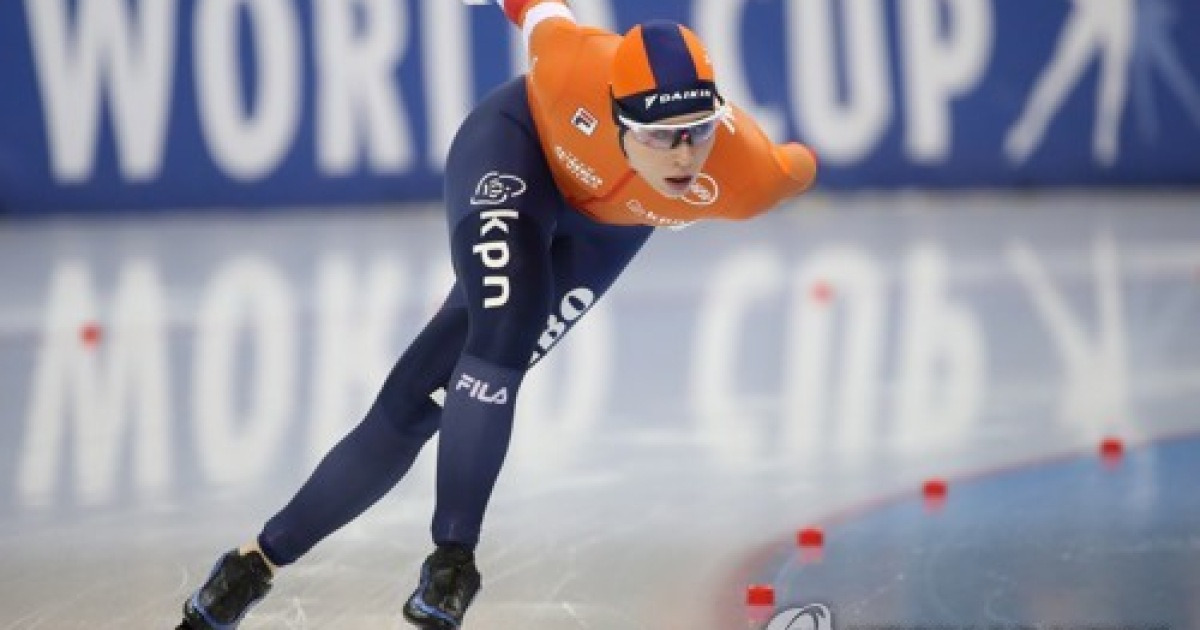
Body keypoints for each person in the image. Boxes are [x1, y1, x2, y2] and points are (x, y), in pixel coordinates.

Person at [175, 1, 817, 628]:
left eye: (698, 131)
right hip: (515, 154)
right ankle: (417, 560)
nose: (682, 157)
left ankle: (288, 565)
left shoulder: (745, 174)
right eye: (657, 136)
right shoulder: (571, 66)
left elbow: (794, 167)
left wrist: (792, 163)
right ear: (615, 115)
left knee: (437, 388)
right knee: (493, 337)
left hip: (605, 237)